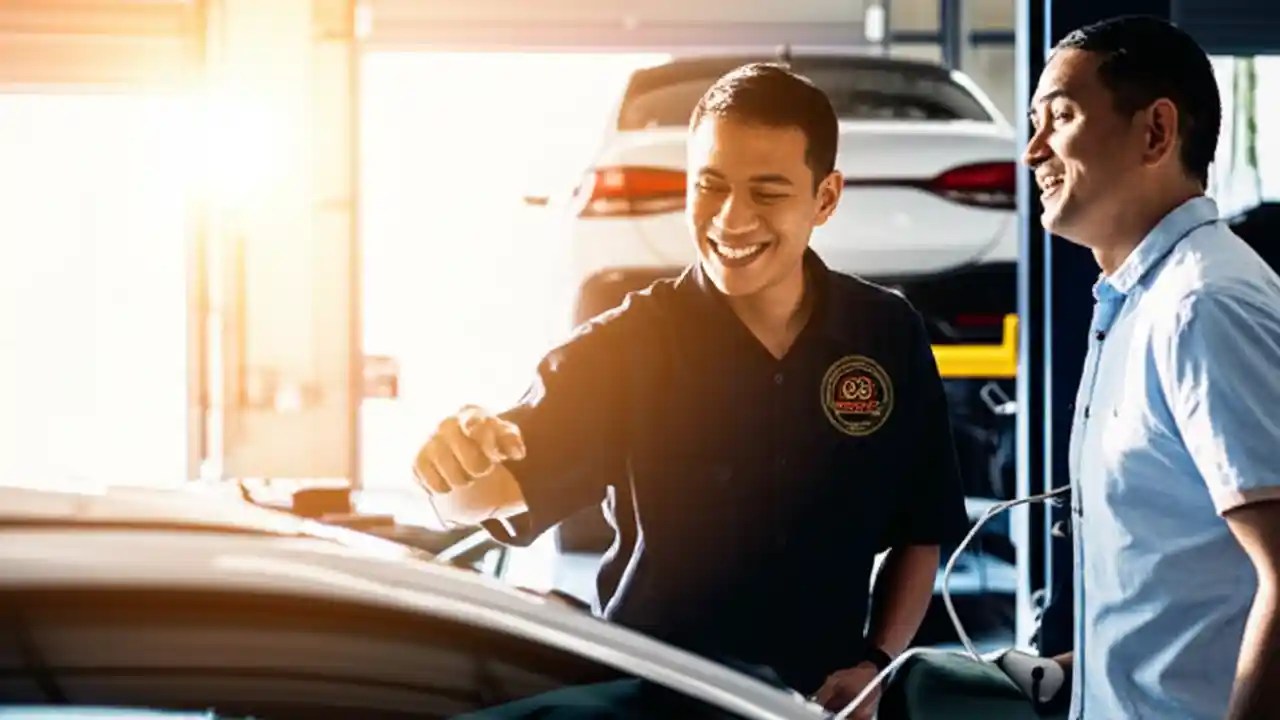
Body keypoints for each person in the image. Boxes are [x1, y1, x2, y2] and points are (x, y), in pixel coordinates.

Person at [411, 63, 968, 717]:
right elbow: (496, 487)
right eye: (711, 186)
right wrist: (450, 472)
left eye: (767, 192)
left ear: (825, 198)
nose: (731, 219)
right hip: (650, 703)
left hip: (812, 708)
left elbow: (920, 531)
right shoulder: (627, 346)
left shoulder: (884, 334)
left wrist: (874, 665)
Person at [1024, 15, 1280, 720]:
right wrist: (1060, 674)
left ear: (1157, 132)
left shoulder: (1204, 304)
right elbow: (1182, 591)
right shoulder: (1137, 301)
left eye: (1060, 117)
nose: (1032, 151)